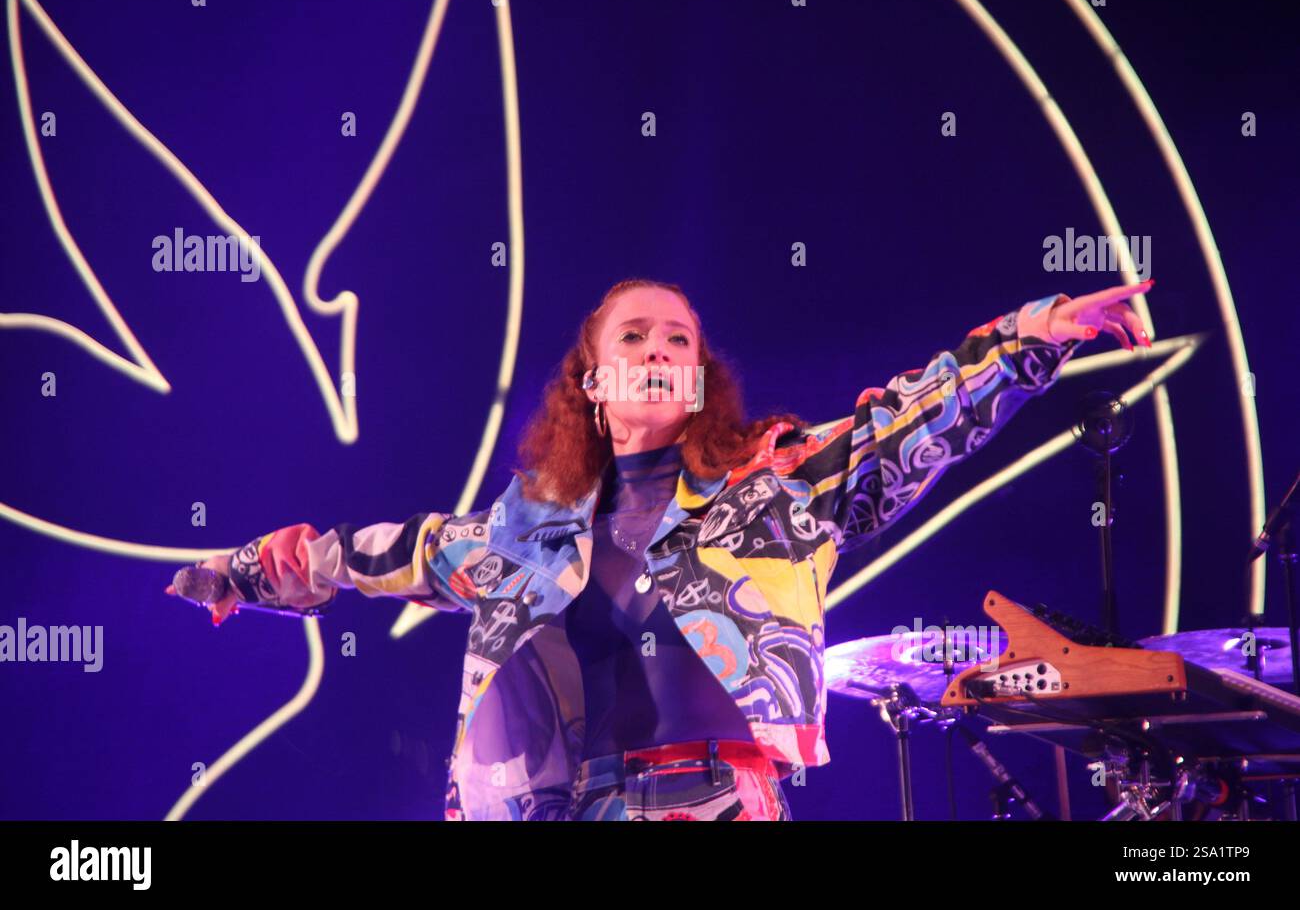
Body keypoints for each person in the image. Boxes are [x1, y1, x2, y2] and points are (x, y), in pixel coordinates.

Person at [167, 277, 1154, 820]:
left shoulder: (779, 486)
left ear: (697, 378)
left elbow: (913, 420)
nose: (654, 351)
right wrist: (244, 569)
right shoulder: (521, 526)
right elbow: (382, 550)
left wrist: (1034, 335)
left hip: (709, 801)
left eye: (675, 340)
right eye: (630, 337)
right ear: (591, 381)